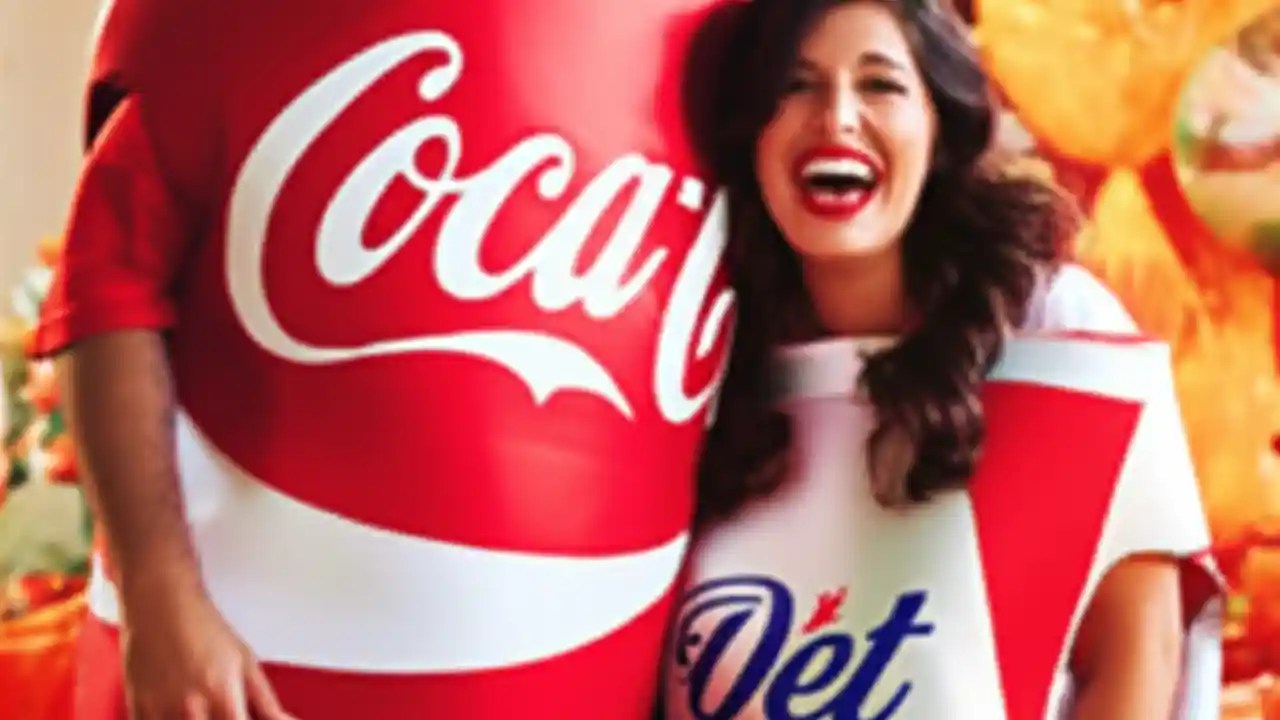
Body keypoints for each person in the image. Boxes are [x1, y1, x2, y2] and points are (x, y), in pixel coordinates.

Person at [34, 0, 735, 718]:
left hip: (593, 669)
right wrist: (158, 598)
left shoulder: (720, 30)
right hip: (241, 673)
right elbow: (105, 298)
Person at [662, 1, 1221, 718]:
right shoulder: (695, 362)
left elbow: (1138, 651)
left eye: (880, 85)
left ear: (939, 129)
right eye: (795, 86)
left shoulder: (1050, 324)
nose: (835, 118)